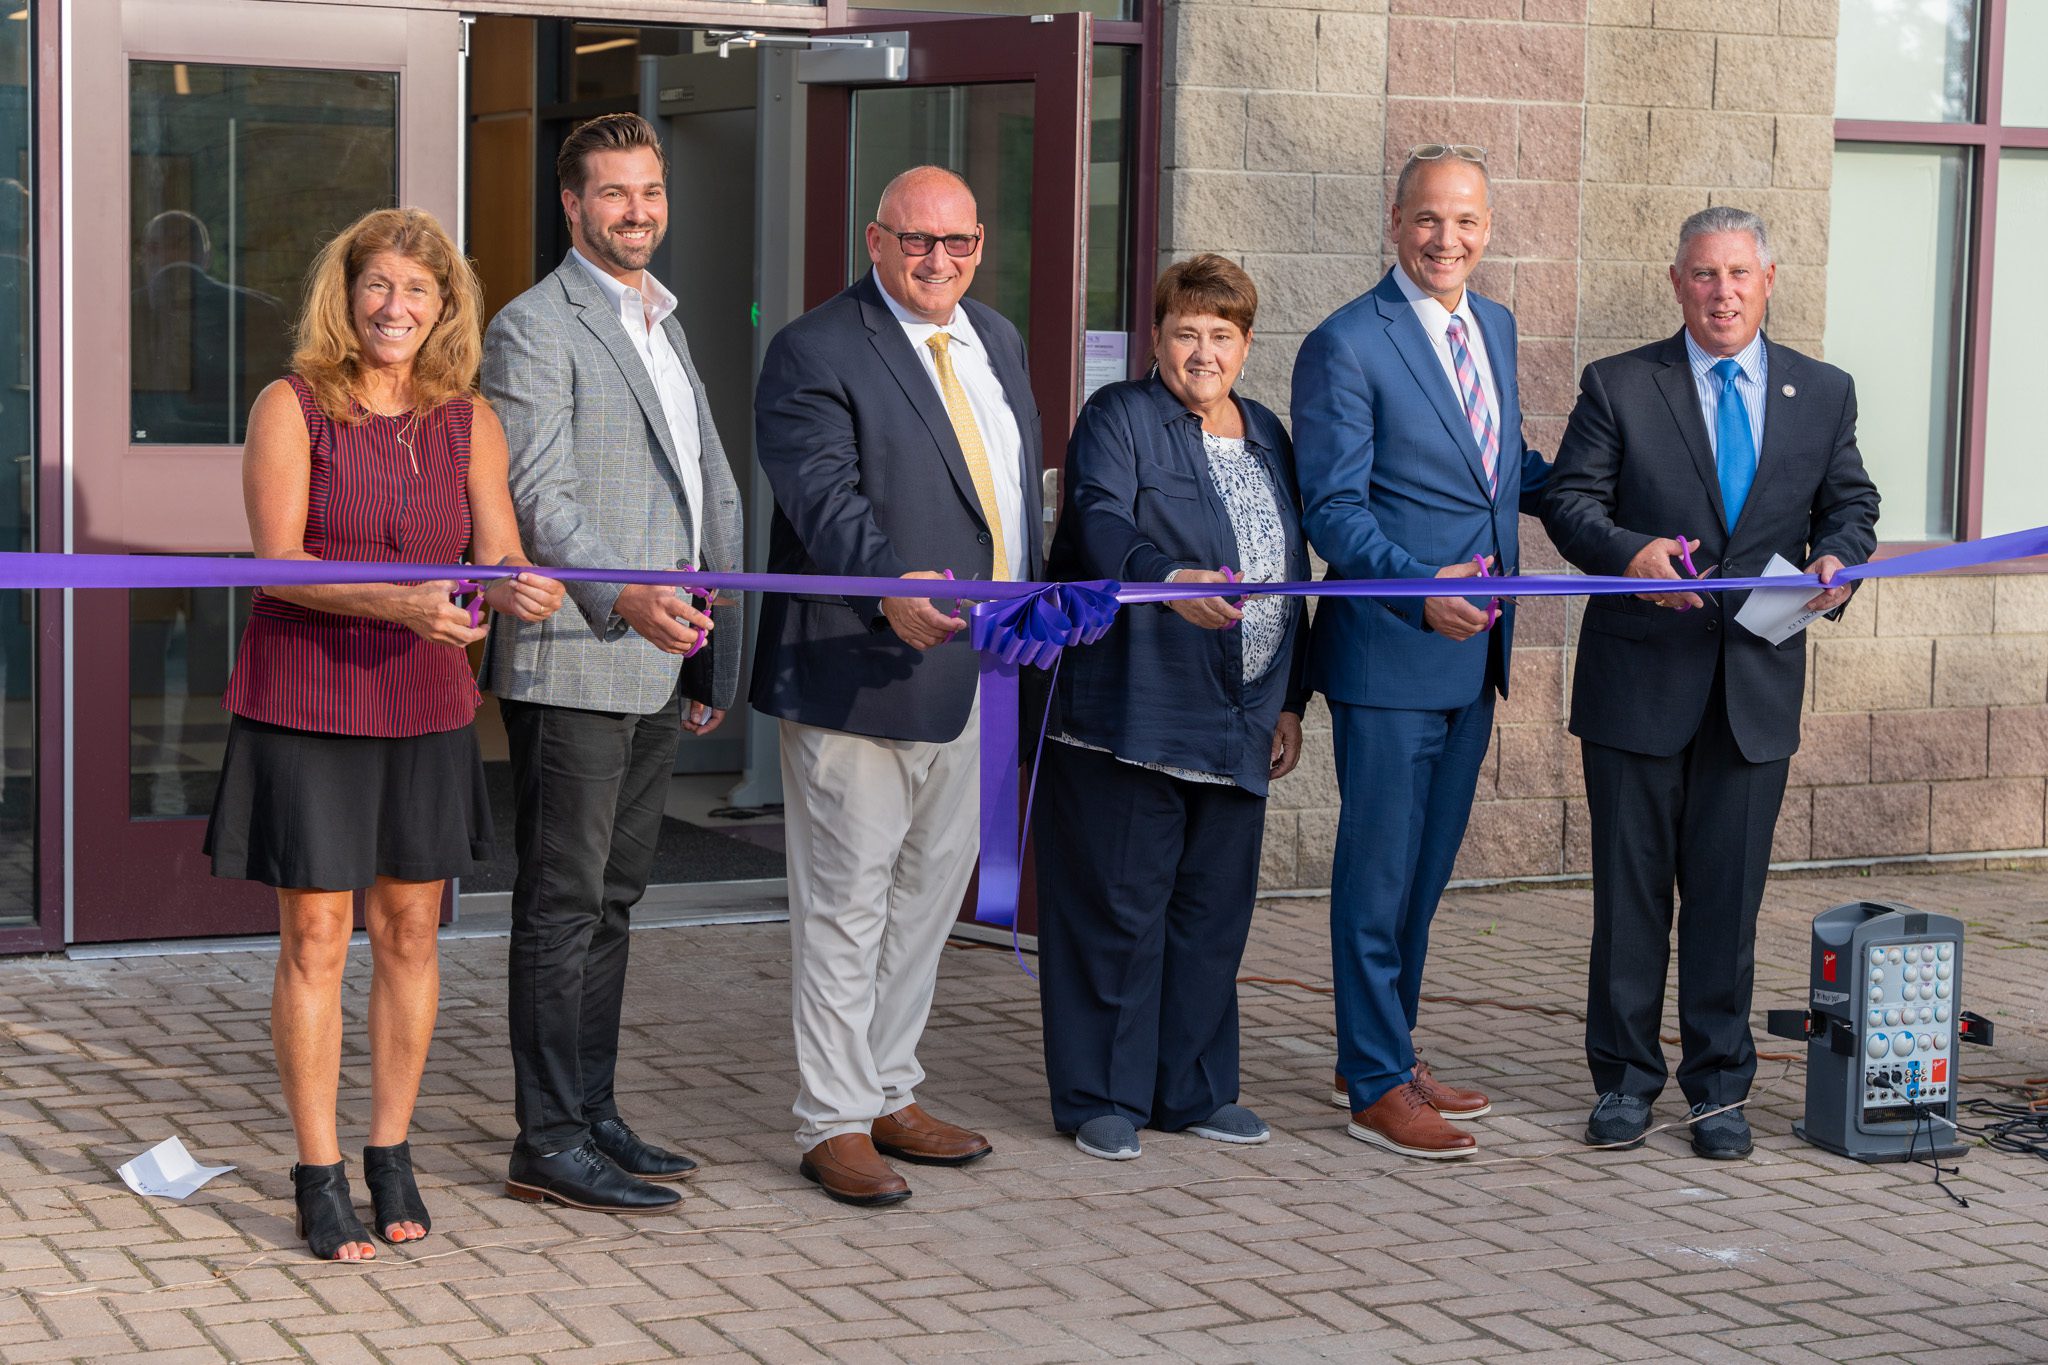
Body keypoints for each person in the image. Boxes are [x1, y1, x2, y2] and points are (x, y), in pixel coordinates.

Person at [204, 207, 565, 1260]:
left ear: (445, 306)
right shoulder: (292, 405)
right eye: (377, 286)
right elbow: (278, 564)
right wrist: (403, 604)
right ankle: (317, 1172)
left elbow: (495, 555)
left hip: (423, 699)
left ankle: (389, 1154)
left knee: (410, 932)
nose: (395, 306)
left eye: (418, 289)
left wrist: (517, 591)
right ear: (346, 295)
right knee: (316, 938)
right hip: (305, 696)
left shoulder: (468, 421)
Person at [1541, 206, 1878, 1159]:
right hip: (1637, 686)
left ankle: (1718, 1091)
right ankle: (1623, 1083)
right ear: (1676, 281)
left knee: (1728, 903)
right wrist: (1628, 552)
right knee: (1631, 897)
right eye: (1702, 275)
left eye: (1737, 274)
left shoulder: (1823, 390)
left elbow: (1851, 503)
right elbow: (1570, 502)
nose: (1721, 292)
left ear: (1769, 280)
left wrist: (1840, 561)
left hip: (1755, 689)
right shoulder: (1619, 384)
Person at [751, 165, 1040, 1206]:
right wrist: (883, 586)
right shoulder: (815, 348)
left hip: (974, 670)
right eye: (916, 241)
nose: (936, 261)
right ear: (874, 241)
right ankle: (831, 1120)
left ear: (977, 248)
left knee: (925, 898)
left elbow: (1000, 495)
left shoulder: (994, 340)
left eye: (956, 243)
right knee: (846, 903)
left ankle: (887, 1088)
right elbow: (819, 491)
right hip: (855, 670)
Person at [481, 112, 745, 1213]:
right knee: (560, 902)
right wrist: (625, 596)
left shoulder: (662, 321)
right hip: (577, 653)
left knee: (618, 899)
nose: (636, 211)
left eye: (649, 191)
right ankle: (544, 1137)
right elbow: (541, 497)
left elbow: (701, 488)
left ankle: (591, 1111)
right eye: (613, 193)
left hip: (654, 653)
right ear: (571, 205)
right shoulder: (533, 326)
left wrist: (705, 651)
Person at [1291, 144, 1551, 1160]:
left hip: (1472, 657)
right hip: (1390, 650)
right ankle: (1368, 1081)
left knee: (1426, 874)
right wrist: (1414, 589)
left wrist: (1623, 489)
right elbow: (1332, 508)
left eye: (1466, 222)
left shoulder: (1492, 324)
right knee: (1376, 872)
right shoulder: (1346, 344)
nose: (1448, 239)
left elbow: (1502, 471)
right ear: (1393, 224)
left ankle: (1392, 1049)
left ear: (1487, 229)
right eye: (1428, 220)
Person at [1036, 253, 1309, 1161]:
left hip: (1241, 717)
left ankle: (1191, 1090)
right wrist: (1160, 580)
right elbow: (1099, 522)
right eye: (1186, 331)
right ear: (1155, 338)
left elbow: (1292, 575)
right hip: (1132, 718)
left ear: (1246, 343)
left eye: (1221, 335)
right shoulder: (1120, 417)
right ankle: (1100, 1096)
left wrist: (1290, 701)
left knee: (1209, 918)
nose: (1203, 351)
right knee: (1119, 910)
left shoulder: (1268, 431)